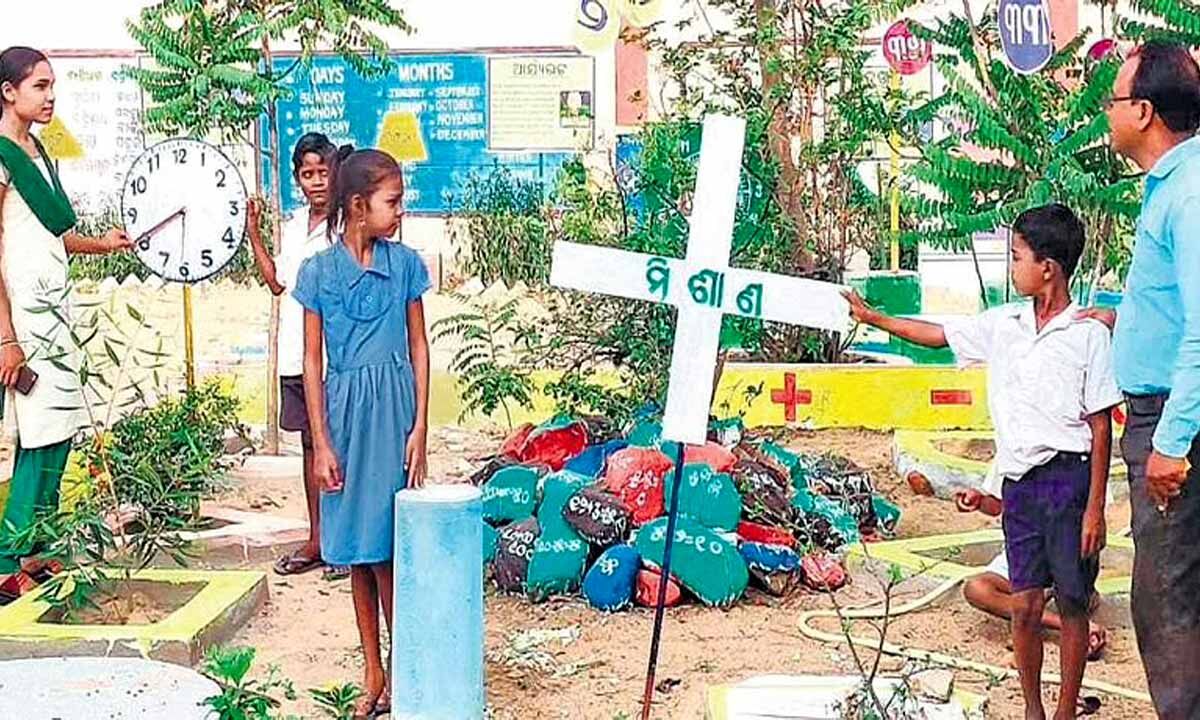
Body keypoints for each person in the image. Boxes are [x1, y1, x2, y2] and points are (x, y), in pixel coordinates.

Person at [845, 204, 1121, 720]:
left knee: (1074, 600)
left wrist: (1094, 510)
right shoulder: (1004, 325)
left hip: (1070, 480)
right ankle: (1033, 709)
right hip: (1020, 485)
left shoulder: (1087, 334)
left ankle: (1064, 710)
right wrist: (875, 319)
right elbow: (938, 335)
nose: (1010, 268)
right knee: (1024, 603)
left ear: (1049, 267)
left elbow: (1101, 425)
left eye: (1016, 257)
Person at [292, 148, 430, 717]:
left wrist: (421, 425)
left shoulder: (405, 265)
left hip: (393, 414)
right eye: (392, 201)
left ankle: (404, 670)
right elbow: (311, 360)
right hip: (345, 417)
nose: (400, 211)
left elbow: (419, 344)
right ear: (357, 205)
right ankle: (373, 669)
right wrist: (321, 441)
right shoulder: (318, 273)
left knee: (388, 550)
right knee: (355, 549)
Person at [1088, 41, 1200, 719]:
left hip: (1174, 421)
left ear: (1146, 111)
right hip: (1169, 413)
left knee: (1167, 597)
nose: (1109, 113)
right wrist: (1125, 317)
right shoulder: (1176, 188)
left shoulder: (1187, 196)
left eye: (1115, 99)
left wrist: (1174, 443)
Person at [0, 47, 130, 580]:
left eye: (53, 86)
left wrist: (103, 245)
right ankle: (9, 557)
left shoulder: (38, 153)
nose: (51, 96)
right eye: (39, 86)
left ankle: (40, 546)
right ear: (8, 92)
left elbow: (52, 235)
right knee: (38, 432)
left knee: (64, 427)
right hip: (24, 316)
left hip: (57, 309)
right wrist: (6, 337)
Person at [246, 133, 351, 582]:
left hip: (334, 358)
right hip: (296, 356)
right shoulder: (293, 225)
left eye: (322, 172)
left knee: (339, 447)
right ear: (297, 179)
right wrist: (252, 233)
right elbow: (276, 283)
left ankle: (345, 541)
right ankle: (318, 539)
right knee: (310, 447)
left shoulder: (347, 226)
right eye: (307, 174)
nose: (316, 182)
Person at [956, 468, 1108, 664]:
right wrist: (978, 500)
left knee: (1054, 588)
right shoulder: (1013, 446)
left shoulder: (1075, 450)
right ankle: (1058, 623)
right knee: (977, 588)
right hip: (1022, 548)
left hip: (1064, 548)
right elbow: (996, 504)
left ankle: (1043, 619)